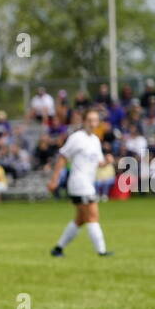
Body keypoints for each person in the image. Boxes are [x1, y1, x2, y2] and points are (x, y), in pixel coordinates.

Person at [49, 109, 112, 257]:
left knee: (80, 219)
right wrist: (55, 179)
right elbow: (63, 157)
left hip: (88, 183)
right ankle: (101, 251)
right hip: (79, 183)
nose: (92, 123)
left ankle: (58, 249)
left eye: (95, 120)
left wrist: (108, 162)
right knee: (93, 216)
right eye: (89, 120)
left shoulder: (95, 140)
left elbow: (99, 163)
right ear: (84, 121)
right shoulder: (77, 138)